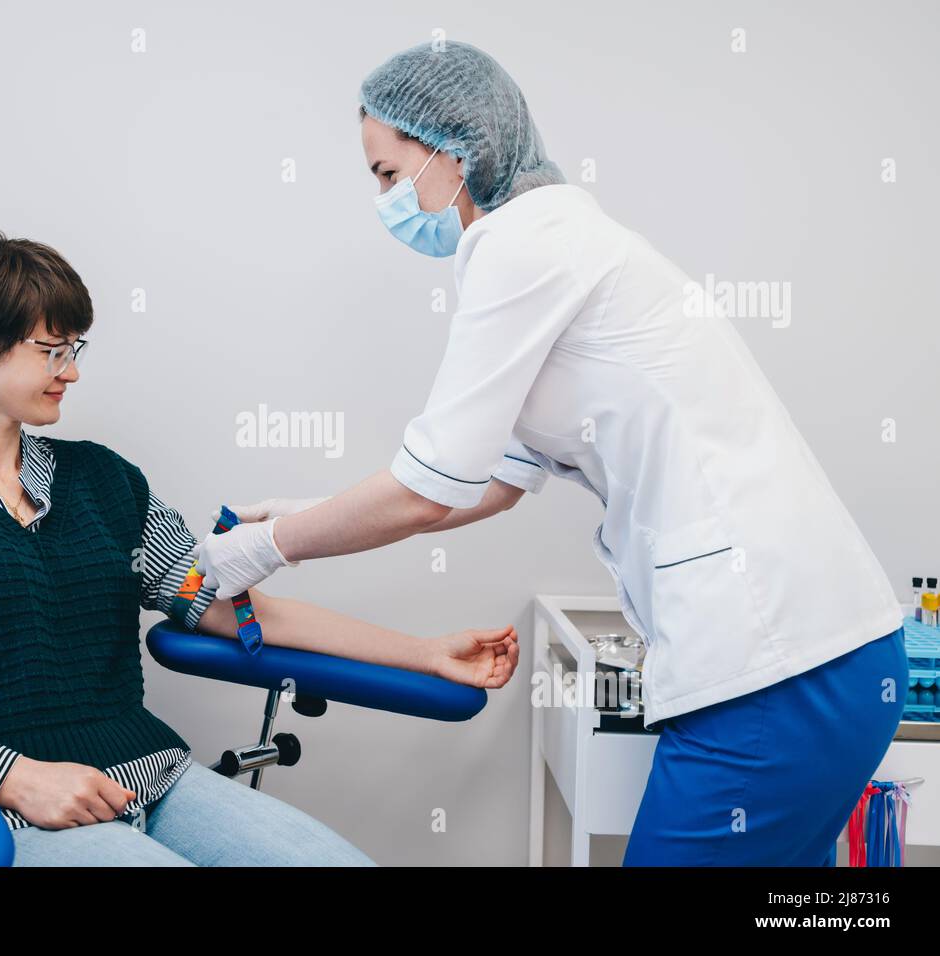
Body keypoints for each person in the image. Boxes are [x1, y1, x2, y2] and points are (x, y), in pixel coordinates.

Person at [193, 41, 907, 866]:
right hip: (825, 654)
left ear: (454, 148)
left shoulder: (523, 244)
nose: (385, 200)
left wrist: (263, 548)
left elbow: (427, 489)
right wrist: (305, 514)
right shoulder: (562, 240)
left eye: (388, 174)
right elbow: (489, 484)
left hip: (778, 666)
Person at [0, 226, 521, 866]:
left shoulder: (102, 482)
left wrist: (425, 652)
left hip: (150, 773)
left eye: (75, 348)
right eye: (51, 350)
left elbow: (229, 605)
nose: (72, 370)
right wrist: (12, 774)